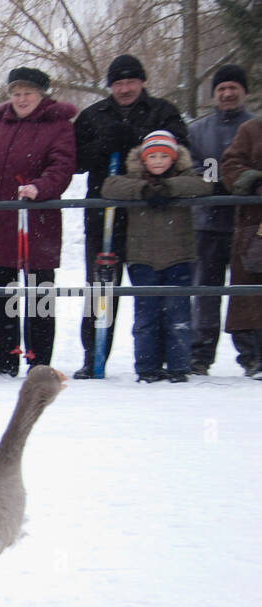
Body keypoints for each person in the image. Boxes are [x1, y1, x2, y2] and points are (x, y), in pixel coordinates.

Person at [73, 54, 189, 378]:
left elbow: (180, 150)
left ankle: (160, 362)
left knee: (153, 291)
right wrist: (103, 144)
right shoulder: (92, 116)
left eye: (130, 81)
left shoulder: (162, 112)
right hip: (103, 213)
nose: (124, 88)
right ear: (109, 86)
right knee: (100, 289)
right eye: (118, 83)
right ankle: (93, 356)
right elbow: (75, 161)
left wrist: (136, 140)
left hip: (150, 217)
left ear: (142, 82)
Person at [0, 67, 76, 378]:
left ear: (41, 94)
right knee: (3, 292)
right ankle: (5, 356)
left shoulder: (57, 125)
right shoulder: (1, 124)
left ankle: (38, 358)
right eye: (16, 93)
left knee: (38, 293)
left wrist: (41, 187)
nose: (21, 99)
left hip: (36, 220)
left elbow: (62, 166)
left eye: (28, 93)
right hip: (1, 220)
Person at [101, 131, 212, 382]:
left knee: (178, 316)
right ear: (143, 159)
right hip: (143, 258)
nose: (159, 161)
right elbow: (110, 186)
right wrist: (144, 189)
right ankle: (147, 367)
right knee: (146, 318)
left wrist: (169, 188)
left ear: (174, 159)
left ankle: (178, 367)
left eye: (165, 156)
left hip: (179, 256)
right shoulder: (132, 179)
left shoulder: (185, 178)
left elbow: (203, 184)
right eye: (153, 156)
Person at [188, 65, 254, 375]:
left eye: (233, 88)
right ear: (214, 94)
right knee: (206, 291)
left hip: (249, 226)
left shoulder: (255, 127)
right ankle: (200, 354)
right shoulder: (198, 130)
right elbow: (192, 168)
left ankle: (252, 353)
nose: (227, 93)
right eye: (221, 88)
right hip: (208, 222)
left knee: (248, 289)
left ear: (244, 91)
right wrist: (215, 179)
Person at [221, 116, 262, 379]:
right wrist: (255, 181)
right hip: (255, 223)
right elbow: (230, 164)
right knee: (250, 293)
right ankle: (254, 357)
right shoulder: (251, 130)